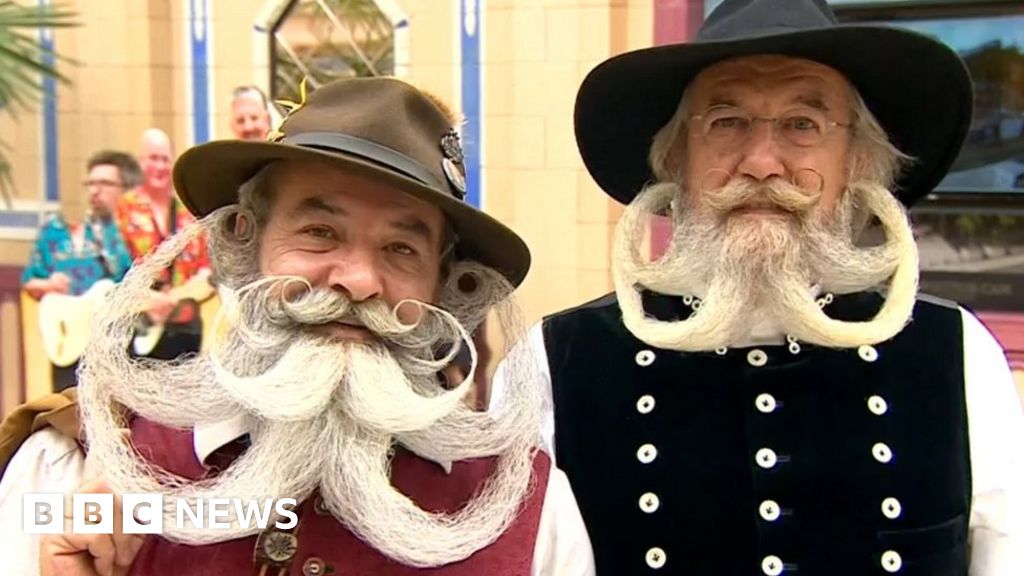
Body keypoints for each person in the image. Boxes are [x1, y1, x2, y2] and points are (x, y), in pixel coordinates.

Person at [501, 0, 1024, 574]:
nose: (761, 162)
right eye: (726, 122)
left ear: (857, 163)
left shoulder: (960, 356)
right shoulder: (554, 365)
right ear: (676, 158)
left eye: (803, 124)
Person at [11, 77, 593, 575]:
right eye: (320, 232)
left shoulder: (530, 512)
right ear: (245, 243)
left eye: (401, 248)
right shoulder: (70, 476)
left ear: (443, 290)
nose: (360, 279)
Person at [21, 150, 139, 390]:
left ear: (126, 190)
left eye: (105, 184)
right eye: (91, 183)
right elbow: (30, 281)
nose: (95, 191)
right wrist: (48, 284)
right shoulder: (56, 233)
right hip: (68, 339)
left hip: (114, 341)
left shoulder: (134, 233)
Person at [116, 128, 212, 360]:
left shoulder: (187, 214)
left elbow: (204, 267)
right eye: (153, 158)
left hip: (184, 325)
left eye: (164, 159)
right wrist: (149, 301)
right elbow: (114, 269)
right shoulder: (125, 209)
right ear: (141, 162)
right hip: (139, 324)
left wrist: (178, 296)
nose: (159, 166)